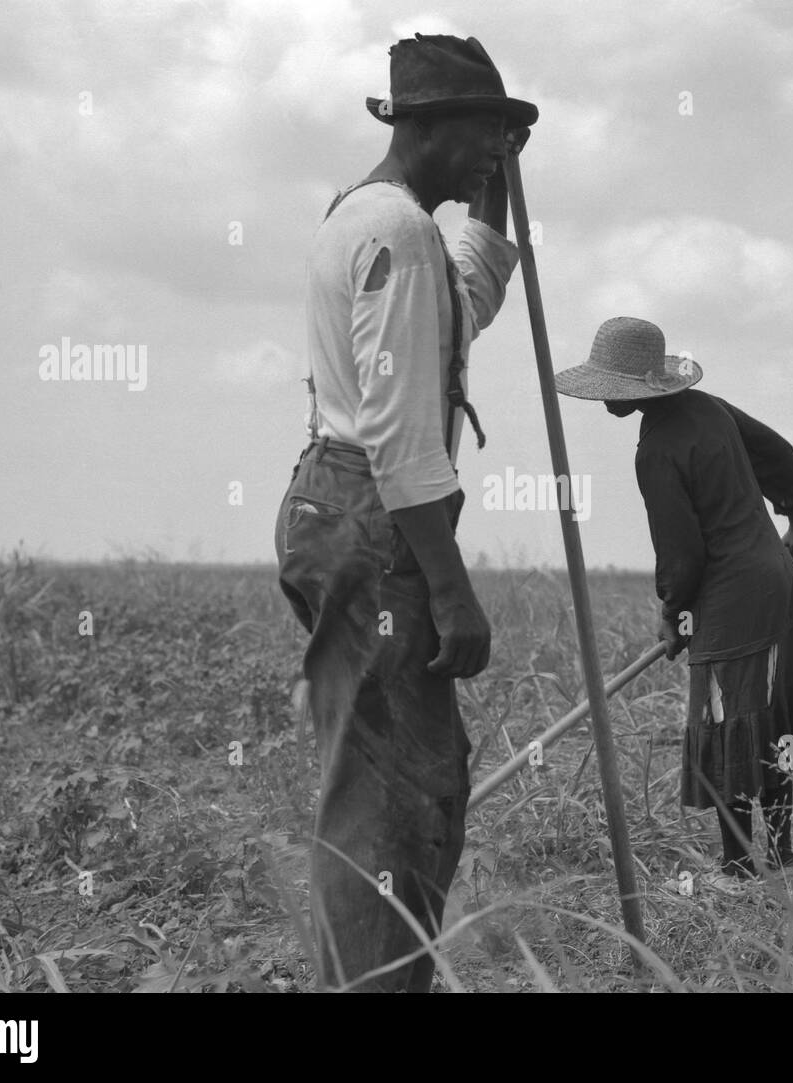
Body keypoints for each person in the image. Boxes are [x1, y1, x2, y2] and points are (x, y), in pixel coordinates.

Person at [274, 34, 536, 991]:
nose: (491, 151)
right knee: (399, 798)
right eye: (482, 132)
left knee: (379, 782)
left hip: (333, 502)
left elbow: (469, 296)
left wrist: (495, 188)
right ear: (424, 126)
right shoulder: (398, 233)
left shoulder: (375, 218)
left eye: (505, 139)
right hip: (373, 515)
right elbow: (397, 434)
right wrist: (453, 590)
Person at [554, 317, 793, 890]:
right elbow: (780, 453)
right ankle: (783, 860)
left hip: (734, 596)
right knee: (767, 721)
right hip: (778, 581)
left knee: (725, 723)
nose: (607, 403)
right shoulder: (710, 409)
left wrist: (672, 613)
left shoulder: (656, 452)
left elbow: (681, 554)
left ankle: (739, 870)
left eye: (615, 392)